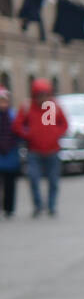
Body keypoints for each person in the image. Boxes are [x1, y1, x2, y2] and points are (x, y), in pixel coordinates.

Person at [14, 78, 67, 216]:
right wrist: (28, 134)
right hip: (34, 151)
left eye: (45, 94)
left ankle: (51, 206)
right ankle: (38, 205)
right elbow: (18, 125)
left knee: (53, 181)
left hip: (52, 150)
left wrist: (56, 133)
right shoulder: (27, 107)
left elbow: (65, 124)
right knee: (33, 179)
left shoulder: (54, 106)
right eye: (39, 95)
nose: (42, 98)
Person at [0, 88, 20, 218]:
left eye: (4, 101)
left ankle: (9, 208)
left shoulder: (14, 115)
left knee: (10, 183)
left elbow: (19, 132)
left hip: (11, 154)